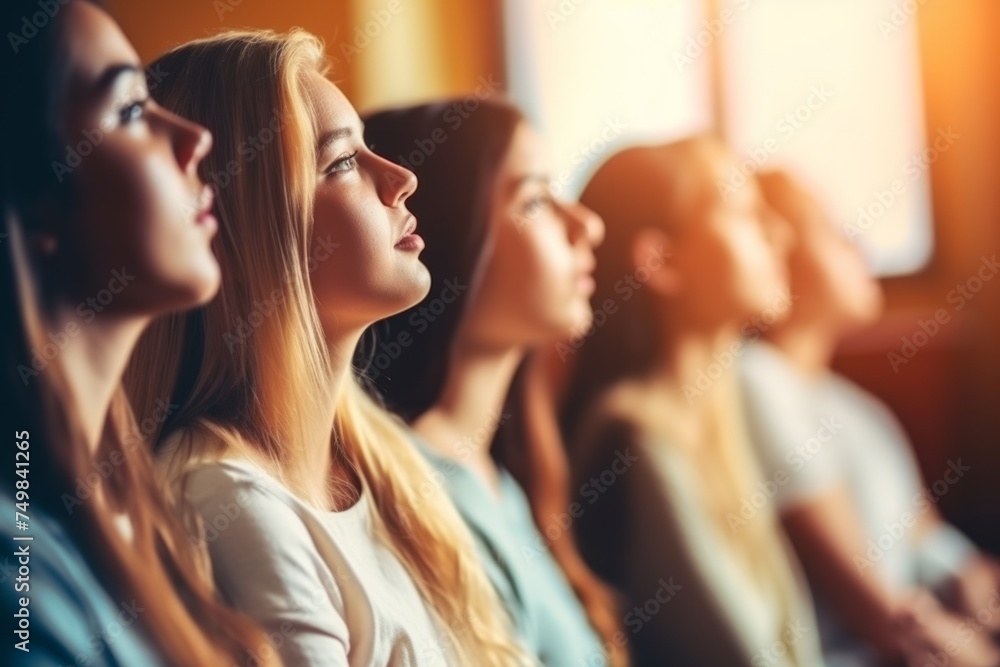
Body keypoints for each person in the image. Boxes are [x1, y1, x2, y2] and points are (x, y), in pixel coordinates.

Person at [125, 29, 528, 666]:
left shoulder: (385, 461)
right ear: (242, 231)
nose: (401, 178)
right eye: (341, 163)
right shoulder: (229, 504)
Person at [0, 1, 275, 665]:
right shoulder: (17, 577)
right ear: (34, 199)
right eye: (128, 110)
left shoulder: (136, 507)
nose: (194, 139)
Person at [361, 100, 627, 667]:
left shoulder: (502, 477)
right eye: (534, 200)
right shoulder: (412, 492)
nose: (587, 224)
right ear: (441, 235)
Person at [562, 138, 825, 666]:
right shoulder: (631, 436)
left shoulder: (717, 416)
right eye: (745, 213)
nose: (780, 232)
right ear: (661, 260)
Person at [740, 170, 1000, 667]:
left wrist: (966, 577)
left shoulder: (861, 411)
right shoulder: (758, 380)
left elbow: (930, 542)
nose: (860, 249)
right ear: (782, 250)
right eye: (835, 232)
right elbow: (873, 610)